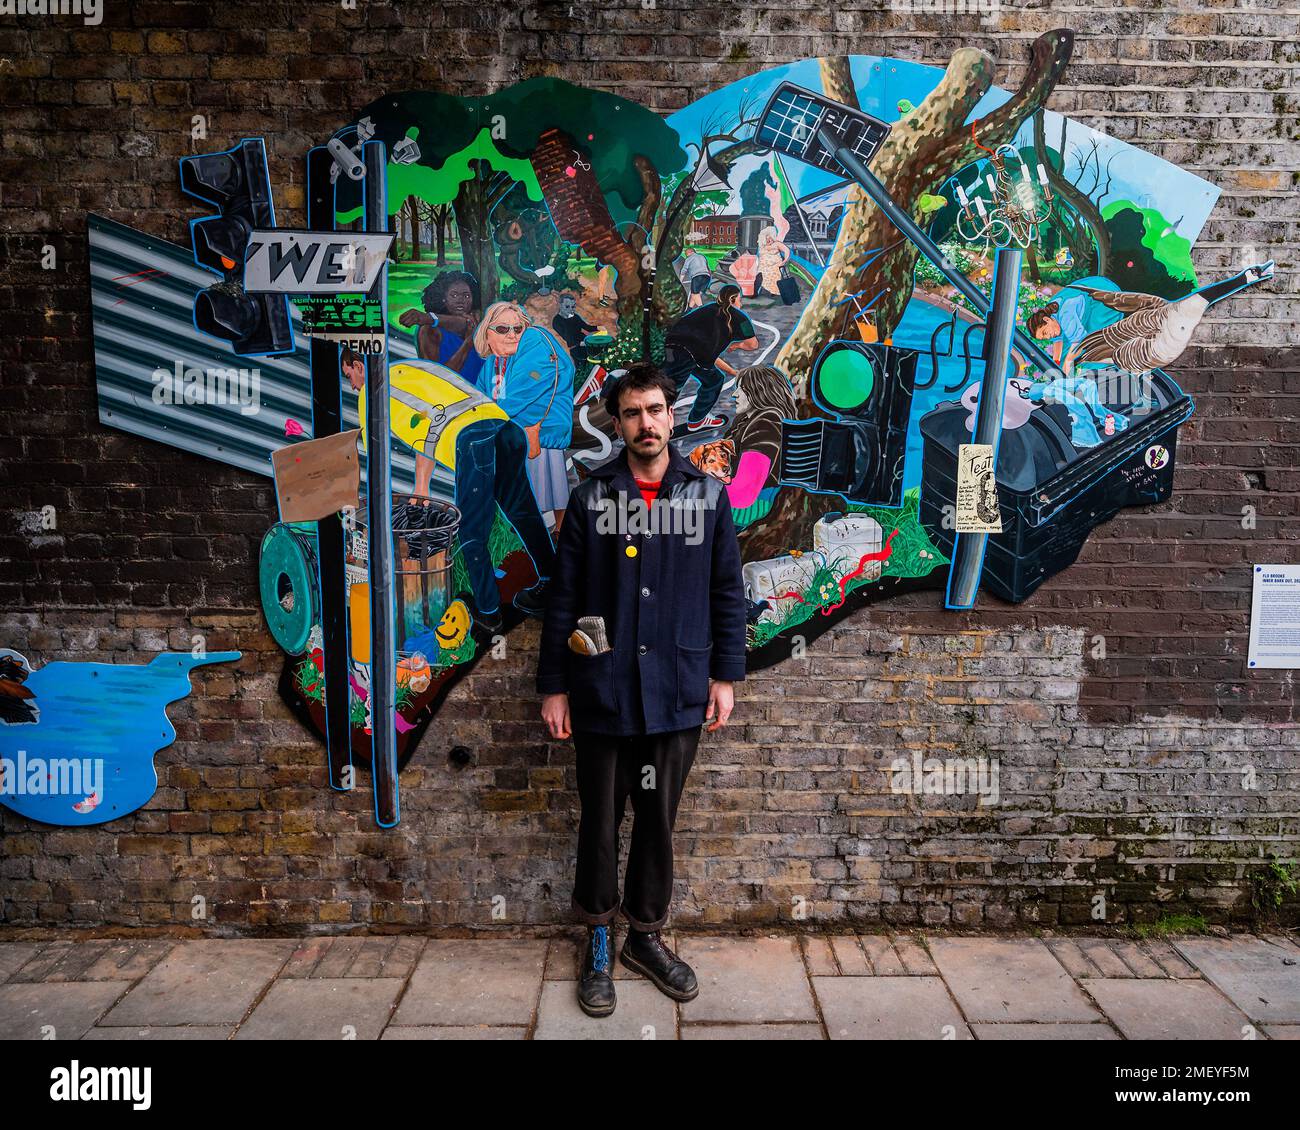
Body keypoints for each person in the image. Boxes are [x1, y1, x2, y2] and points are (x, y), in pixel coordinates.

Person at [537, 361, 747, 1018]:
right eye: (632, 413)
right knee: (600, 821)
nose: (645, 423)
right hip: (602, 689)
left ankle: (645, 936)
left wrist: (725, 675)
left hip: (677, 687)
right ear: (619, 422)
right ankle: (598, 937)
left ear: (671, 415)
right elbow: (566, 598)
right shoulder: (591, 498)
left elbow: (726, 592)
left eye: (655, 410)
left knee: (657, 821)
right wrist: (556, 687)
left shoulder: (706, 497)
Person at [342, 348, 553, 631]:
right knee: (522, 512)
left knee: (471, 534)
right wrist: (421, 484)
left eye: (349, 376)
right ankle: (552, 584)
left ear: (359, 366)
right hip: (506, 429)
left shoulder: (371, 392)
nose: (352, 386)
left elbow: (374, 460)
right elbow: (430, 429)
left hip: (474, 440)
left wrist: (358, 500)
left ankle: (489, 613)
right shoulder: (411, 371)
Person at [473, 301, 575, 532]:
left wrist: (490, 420)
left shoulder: (535, 348)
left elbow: (526, 388)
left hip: (538, 435)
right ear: (487, 333)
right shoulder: (491, 364)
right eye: (503, 329)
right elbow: (480, 400)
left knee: (549, 493)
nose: (512, 335)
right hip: (511, 439)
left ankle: (555, 538)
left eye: (517, 329)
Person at [663, 284, 759, 432]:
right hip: (686, 354)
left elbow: (708, 356)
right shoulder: (740, 319)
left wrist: (731, 371)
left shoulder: (707, 309)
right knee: (671, 389)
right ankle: (659, 424)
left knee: (714, 379)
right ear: (733, 300)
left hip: (671, 346)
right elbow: (753, 344)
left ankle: (697, 420)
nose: (741, 304)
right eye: (739, 300)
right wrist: (737, 345)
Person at [397, 270, 484, 384]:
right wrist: (467, 344)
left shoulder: (475, 319)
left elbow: (462, 323)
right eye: (454, 295)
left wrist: (429, 317)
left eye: (466, 295)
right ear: (443, 298)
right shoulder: (429, 330)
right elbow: (438, 378)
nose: (461, 300)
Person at [551, 292, 598, 371]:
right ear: (560, 305)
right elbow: (567, 338)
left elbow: (587, 327)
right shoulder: (557, 321)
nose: (570, 309)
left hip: (585, 342)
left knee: (595, 361)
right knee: (583, 368)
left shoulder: (575, 317)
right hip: (576, 348)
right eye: (567, 306)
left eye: (573, 307)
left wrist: (598, 327)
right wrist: (581, 343)